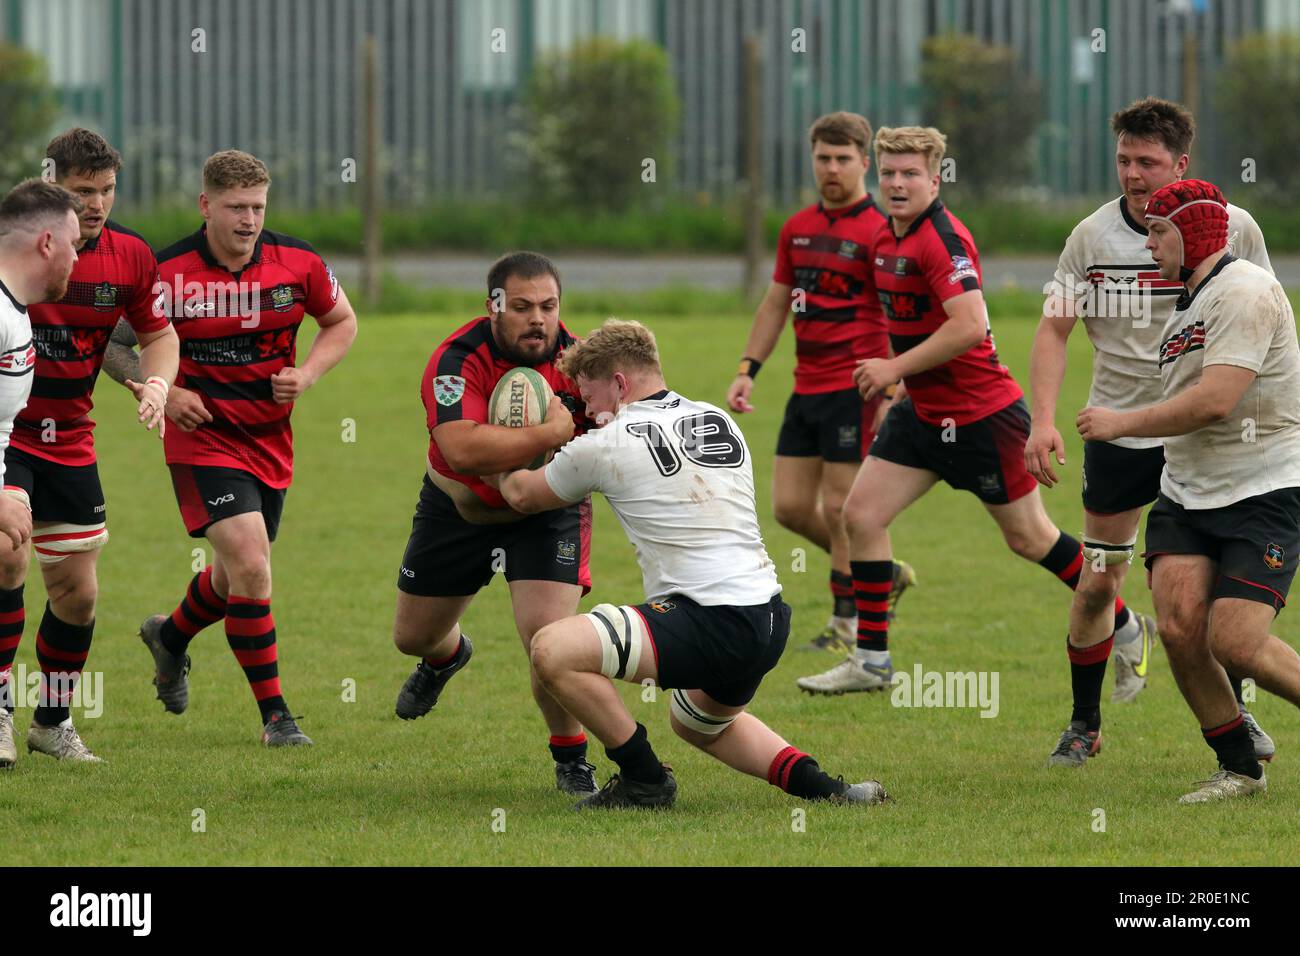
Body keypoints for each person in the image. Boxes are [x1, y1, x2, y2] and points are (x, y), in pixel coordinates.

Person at [796, 126, 1131, 706]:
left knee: (1030, 539)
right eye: (889, 172)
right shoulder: (884, 238)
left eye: (910, 174)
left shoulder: (942, 241)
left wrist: (893, 368)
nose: (897, 183)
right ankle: (872, 660)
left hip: (982, 416)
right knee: (860, 516)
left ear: (935, 178)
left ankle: (1127, 627)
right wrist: (903, 390)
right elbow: (914, 321)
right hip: (922, 414)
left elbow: (970, 325)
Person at [497, 319, 888, 809]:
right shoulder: (717, 418)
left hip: (708, 618)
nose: (586, 411)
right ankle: (834, 792)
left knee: (551, 648)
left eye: (589, 396)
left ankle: (645, 781)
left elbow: (518, 494)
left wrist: (534, 434)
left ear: (620, 384)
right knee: (696, 723)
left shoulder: (605, 443)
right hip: (767, 618)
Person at [1028, 98, 1274, 766]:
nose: (1132, 174)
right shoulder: (1090, 237)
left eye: (1147, 161)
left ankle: (1239, 721)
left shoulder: (1235, 228)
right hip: (1118, 434)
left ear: (1180, 164)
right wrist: (1044, 420)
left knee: (1218, 596)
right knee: (1099, 581)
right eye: (1123, 159)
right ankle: (1084, 724)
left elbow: (1264, 321)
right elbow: (1054, 328)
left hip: (1205, 438)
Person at [1077, 179, 1300, 803]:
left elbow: (1217, 400)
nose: (1146, 242)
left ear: (1194, 233)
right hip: (1188, 490)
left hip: (1262, 489)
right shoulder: (1187, 300)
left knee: (1236, 640)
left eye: (1158, 230)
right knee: (1178, 629)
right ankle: (1239, 768)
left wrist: (1120, 423)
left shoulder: (1245, 291)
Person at [137, 150, 357, 747]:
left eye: (257, 207)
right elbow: (112, 343)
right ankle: (276, 718)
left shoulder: (299, 262)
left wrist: (307, 374)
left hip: (269, 439)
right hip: (200, 437)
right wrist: (166, 388)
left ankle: (171, 636)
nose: (249, 219)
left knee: (237, 579)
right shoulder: (164, 270)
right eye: (236, 207)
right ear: (206, 205)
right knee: (254, 566)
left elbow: (342, 322)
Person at [390, 251, 601, 796]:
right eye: (524, 306)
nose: (538, 319)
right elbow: (461, 449)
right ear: (493, 307)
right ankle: (446, 656)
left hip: (546, 514)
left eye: (549, 306)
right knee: (412, 638)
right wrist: (552, 434)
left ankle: (572, 760)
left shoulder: (581, 363)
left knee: (549, 643)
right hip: (458, 509)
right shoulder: (455, 360)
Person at [0, 130, 180, 767]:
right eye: (82, 191)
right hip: (8, 436)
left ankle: (52, 721)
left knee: (77, 594)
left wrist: (156, 384)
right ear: (51, 182)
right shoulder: (17, 247)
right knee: (6, 555)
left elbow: (159, 334)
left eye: (106, 190)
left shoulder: (130, 254)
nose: (97, 203)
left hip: (71, 438)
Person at [726, 111, 914, 653]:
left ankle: (845, 626)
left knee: (839, 509)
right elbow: (775, 304)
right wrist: (747, 369)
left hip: (856, 387)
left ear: (863, 163)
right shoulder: (797, 227)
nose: (831, 169)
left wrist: (893, 386)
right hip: (805, 385)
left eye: (842, 159)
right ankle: (882, 569)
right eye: (822, 159)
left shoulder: (881, 230)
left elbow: (903, 312)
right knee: (787, 507)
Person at [0, 180, 81, 766]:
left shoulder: (17, 315)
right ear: (48, 243)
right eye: (75, 244)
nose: (81, 256)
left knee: (10, 552)